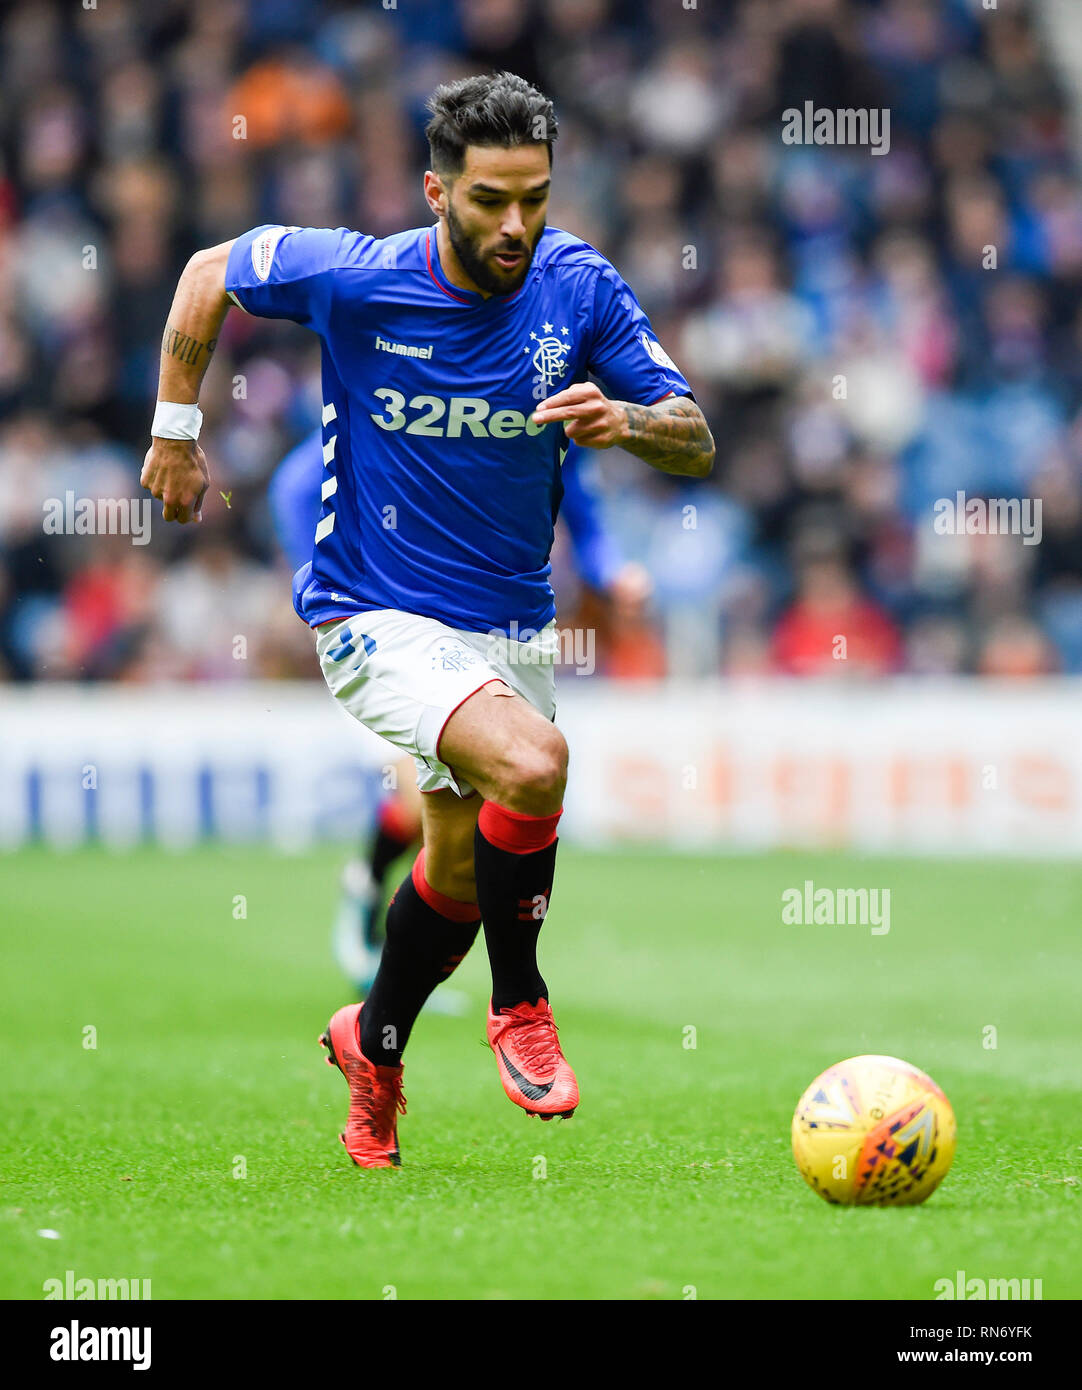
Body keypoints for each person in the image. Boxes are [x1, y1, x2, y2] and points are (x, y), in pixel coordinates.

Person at [141, 71, 714, 1168]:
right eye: (491, 198)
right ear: (435, 190)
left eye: (534, 198)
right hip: (371, 612)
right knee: (536, 764)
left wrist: (629, 419)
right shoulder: (356, 278)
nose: (515, 224)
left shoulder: (578, 287)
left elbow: (693, 435)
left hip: (507, 626)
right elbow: (209, 269)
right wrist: (175, 429)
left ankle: (374, 1042)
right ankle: (521, 1002)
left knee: (453, 867)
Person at [269, 428, 651, 997]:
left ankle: (388, 990)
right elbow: (295, 488)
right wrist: (327, 582)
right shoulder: (387, 398)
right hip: (387, 627)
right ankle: (372, 913)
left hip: (490, 634)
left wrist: (611, 570)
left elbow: (584, 508)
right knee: (421, 802)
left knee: (459, 829)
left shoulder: (541, 404)